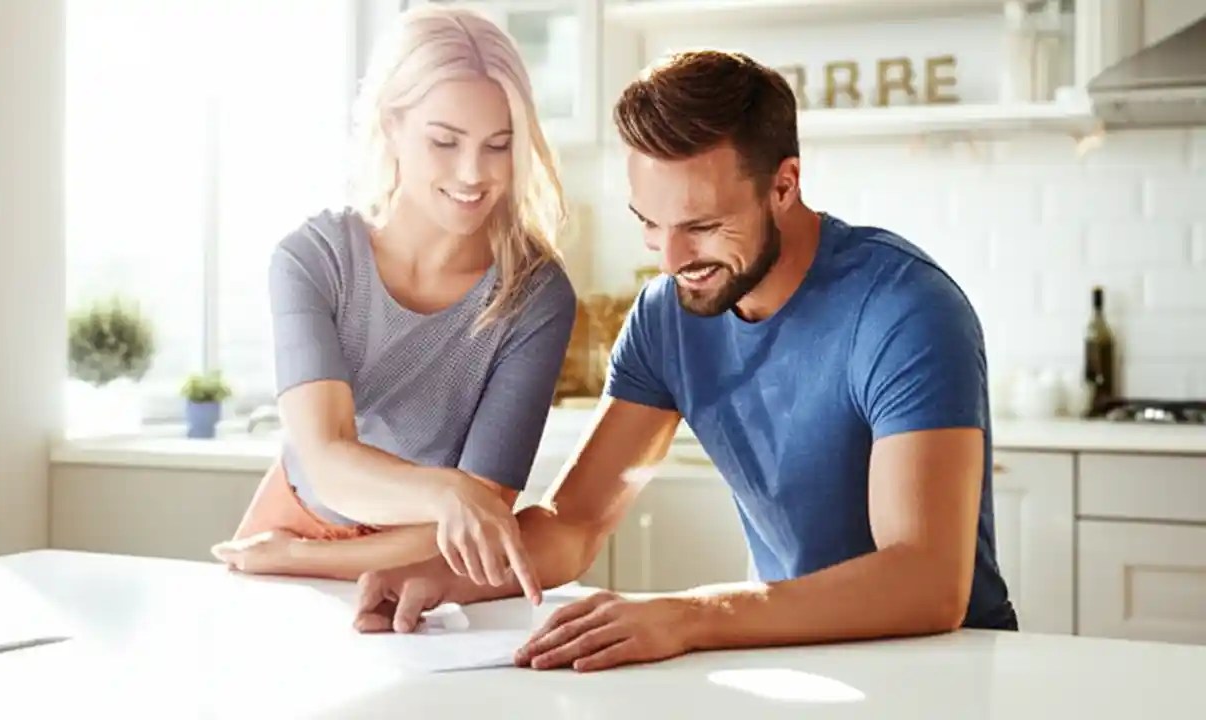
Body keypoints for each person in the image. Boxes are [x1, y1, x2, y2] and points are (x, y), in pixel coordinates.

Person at [353, 48, 1017, 670]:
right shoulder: (667, 316)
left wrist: (689, 616)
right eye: (649, 222)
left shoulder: (905, 309)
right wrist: (441, 578)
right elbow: (574, 522)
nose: (669, 261)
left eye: (700, 226)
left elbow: (926, 582)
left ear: (784, 185)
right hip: (796, 659)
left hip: (946, 667)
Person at [209, 4, 576, 602]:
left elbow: (483, 511)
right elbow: (326, 457)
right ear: (392, 126)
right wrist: (444, 493)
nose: (473, 173)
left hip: (419, 561)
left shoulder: (535, 296)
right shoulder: (313, 260)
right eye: (445, 141)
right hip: (287, 525)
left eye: (498, 145)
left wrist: (303, 559)